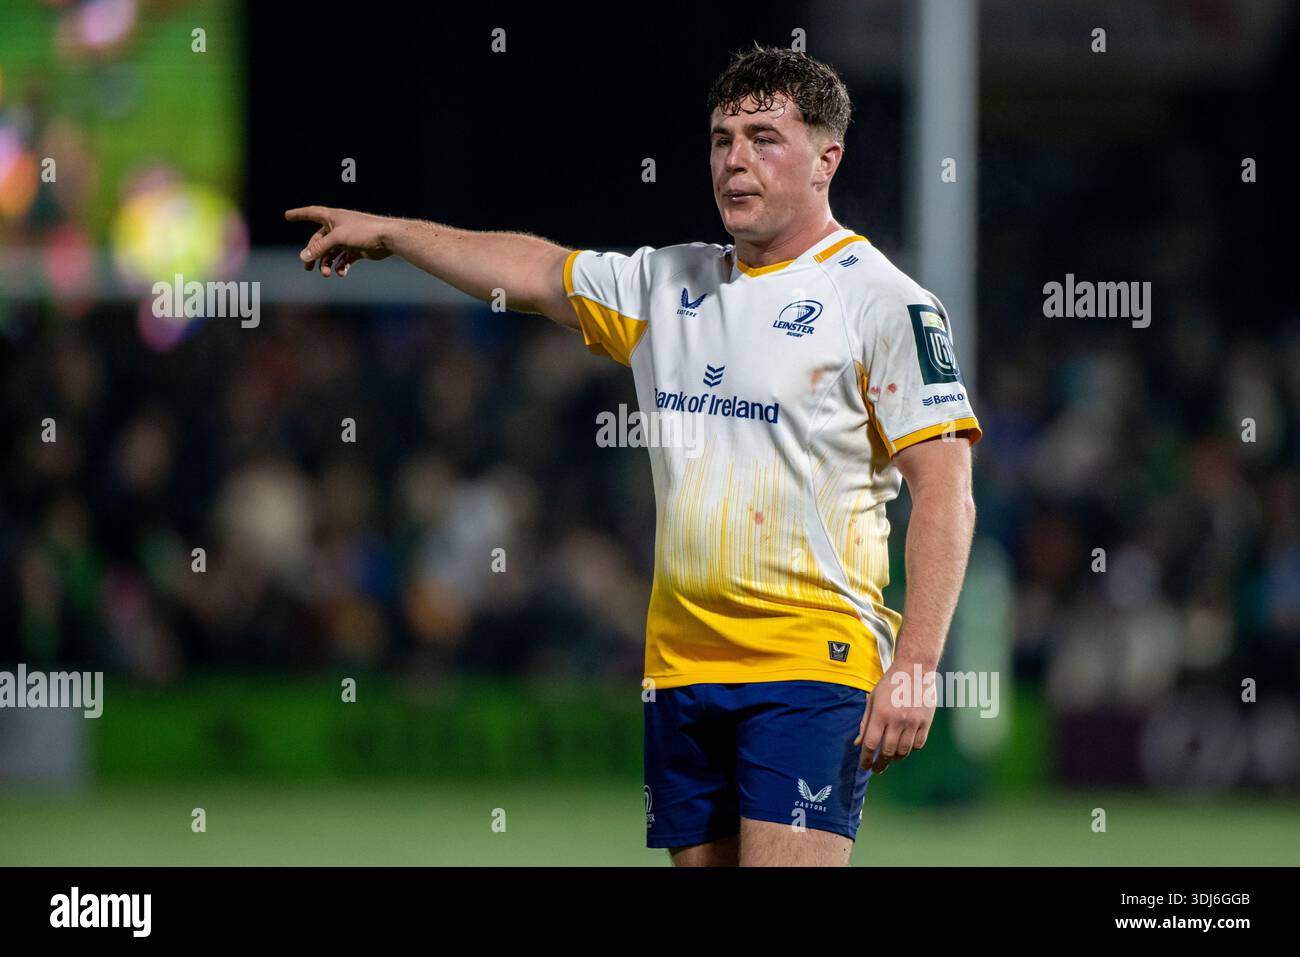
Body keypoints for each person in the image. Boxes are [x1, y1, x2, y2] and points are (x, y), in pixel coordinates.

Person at [286, 44, 980, 866]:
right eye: (722, 140)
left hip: (810, 661)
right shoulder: (669, 284)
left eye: (764, 137)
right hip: (680, 663)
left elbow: (946, 489)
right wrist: (397, 234)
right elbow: (540, 272)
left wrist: (919, 664)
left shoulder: (883, 301)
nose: (735, 160)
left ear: (827, 157)